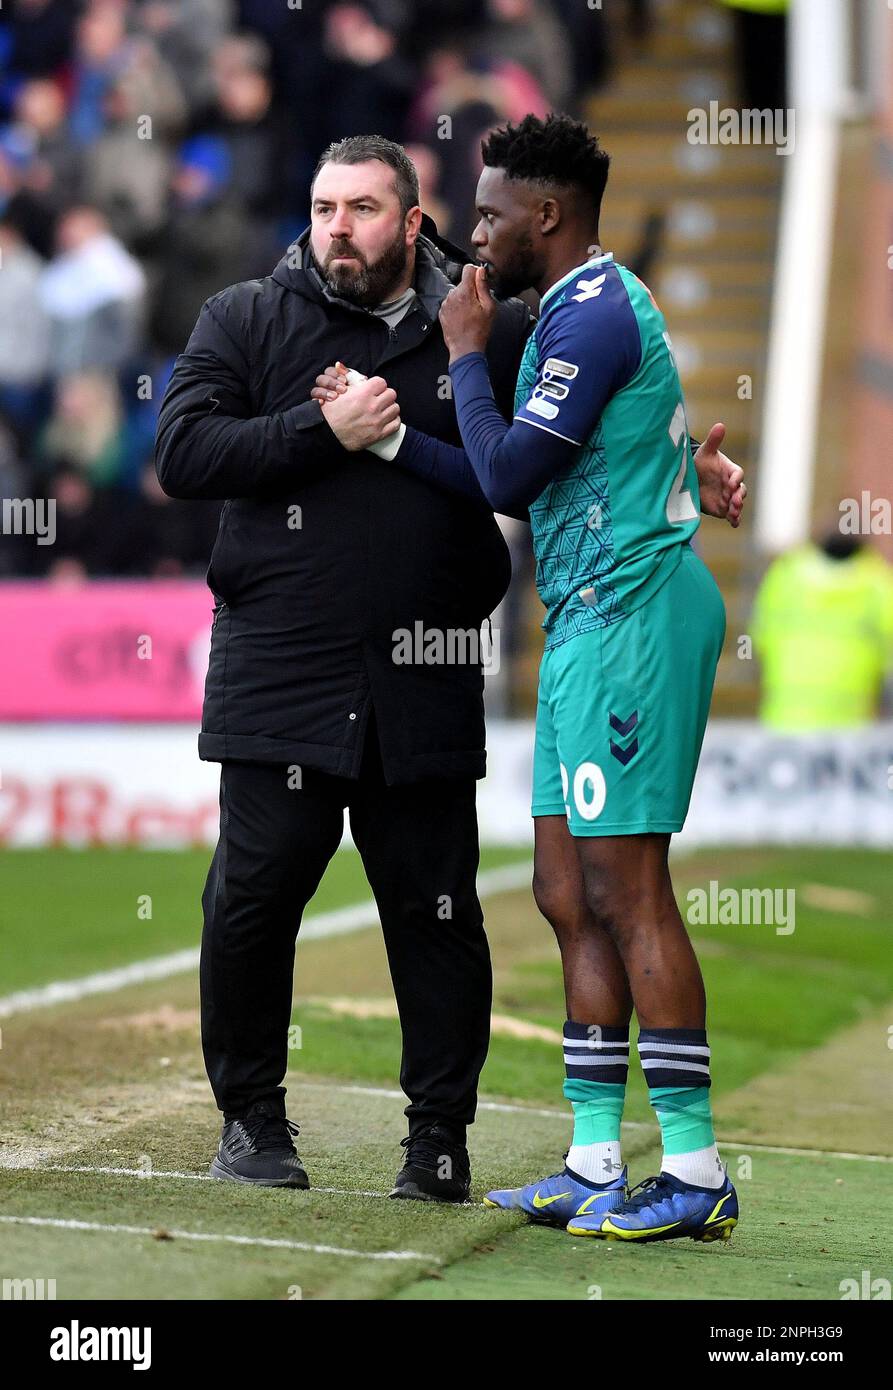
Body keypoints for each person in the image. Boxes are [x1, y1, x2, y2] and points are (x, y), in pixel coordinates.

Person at [315, 114, 745, 1241]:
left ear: (545, 216)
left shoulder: (594, 314)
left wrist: (460, 354)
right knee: (564, 890)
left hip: (635, 617)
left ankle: (694, 1168)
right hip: (585, 622)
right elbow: (538, 464)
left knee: (625, 888)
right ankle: (595, 1157)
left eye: (493, 213)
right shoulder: (568, 313)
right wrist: (392, 441)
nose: (475, 232)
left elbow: (508, 473)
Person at [752, 532, 893, 730]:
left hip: (782, 725)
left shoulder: (785, 574)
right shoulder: (880, 584)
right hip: (850, 735)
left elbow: (759, 645)